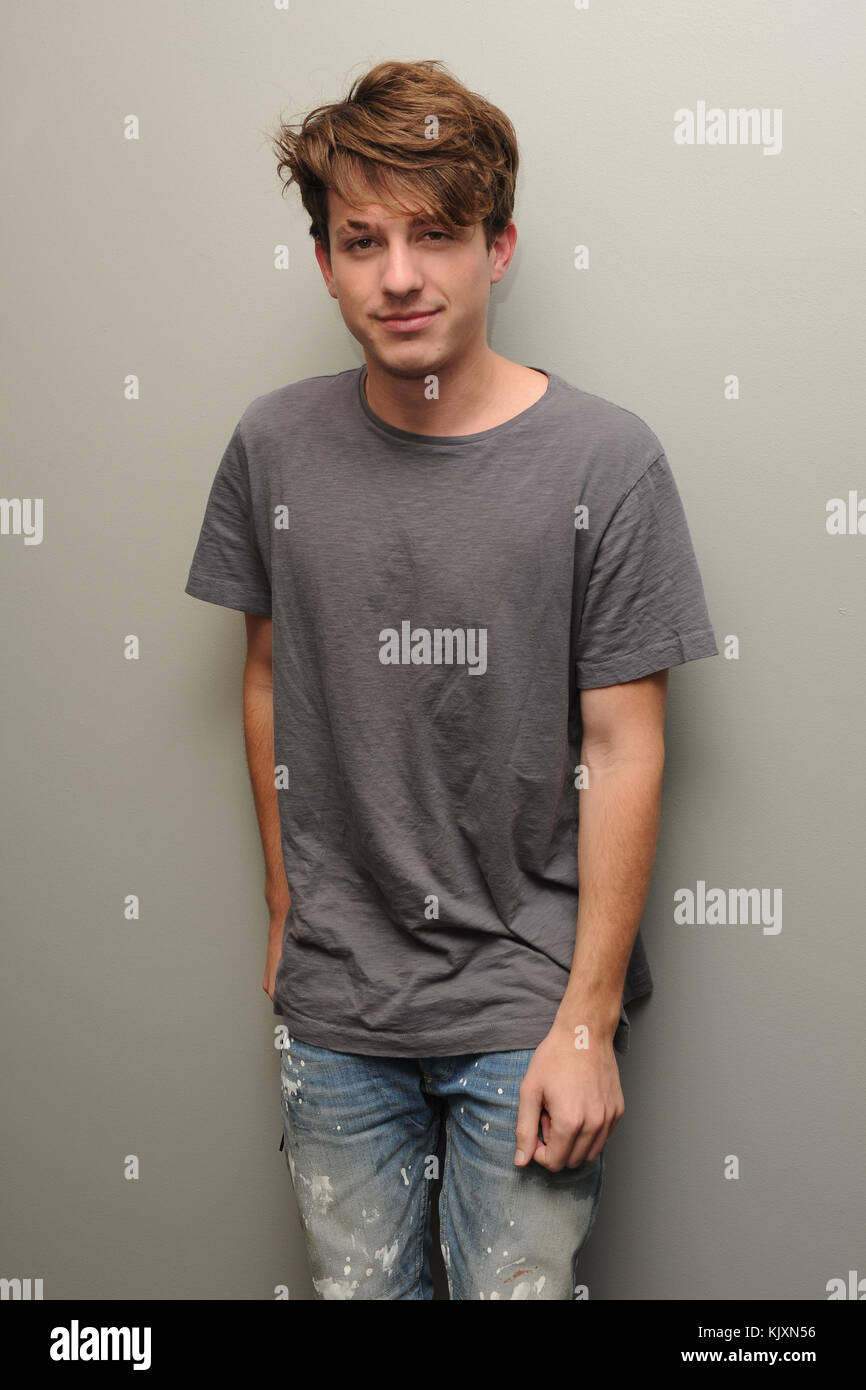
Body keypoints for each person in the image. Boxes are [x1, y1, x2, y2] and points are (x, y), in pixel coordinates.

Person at [184, 58, 719, 1300]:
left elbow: (627, 747)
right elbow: (267, 677)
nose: (400, 274)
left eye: (436, 234)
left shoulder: (605, 459)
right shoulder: (273, 445)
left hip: (525, 996)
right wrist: (283, 900)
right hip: (338, 998)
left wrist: (584, 1021)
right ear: (322, 263)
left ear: (499, 246)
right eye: (361, 240)